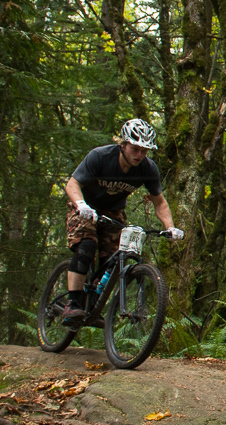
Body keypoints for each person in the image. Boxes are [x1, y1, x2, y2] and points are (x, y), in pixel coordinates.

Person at [62, 118, 184, 326]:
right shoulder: (100, 157)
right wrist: (81, 205)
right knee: (87, 245)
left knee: (113, 260)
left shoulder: (147, 169)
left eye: (144, 151)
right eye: (135, 149)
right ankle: (72, 304)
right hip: (84, 206)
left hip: (113, 212)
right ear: (123, 144)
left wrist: (170, 228)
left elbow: (160, 203)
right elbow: (72, 184)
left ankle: (93, 304)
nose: (139, 155)